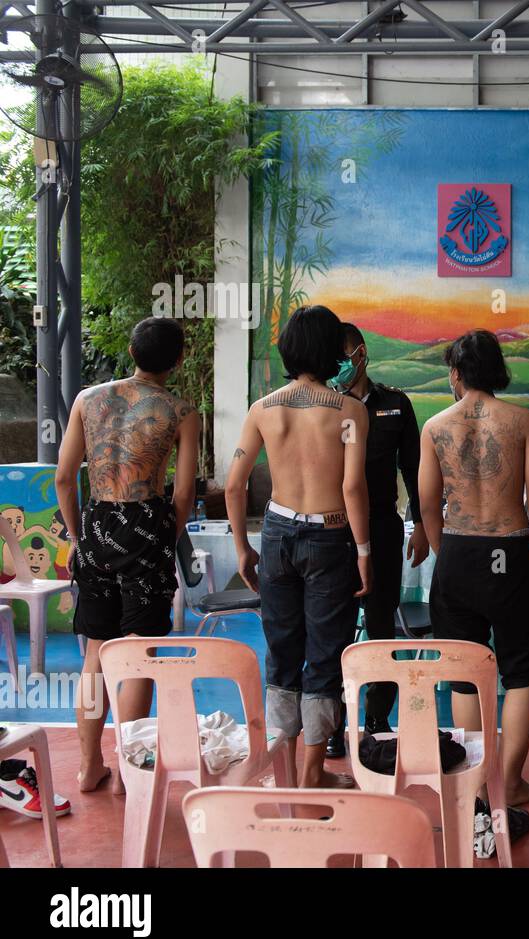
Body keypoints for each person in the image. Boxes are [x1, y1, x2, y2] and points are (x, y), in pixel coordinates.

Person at [225, 305, 371, 789]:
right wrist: (364, 553)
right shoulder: (349, 411)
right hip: (330, 538)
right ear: (332, 352)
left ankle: (283, 772)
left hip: (277, 535)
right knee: (326, 653)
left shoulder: (263, 409)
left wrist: (243, 549)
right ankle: (313, 775)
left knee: (282, 651)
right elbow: (353, 489)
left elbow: (234, 485)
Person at [54, 316, 200, 792]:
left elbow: (63, 477)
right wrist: (164, 536)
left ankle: (87, 766)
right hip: (147, 526)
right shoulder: (180, 411)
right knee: (139, 653)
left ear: (133, 354)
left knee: (96, 654)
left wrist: (79, 539)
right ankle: (129, 771)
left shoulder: (87, 400)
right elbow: (183, 495)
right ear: (178, 360)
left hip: (97, 525)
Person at [419, 330, 529, 806]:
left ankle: (474, 781)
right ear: (496, 370)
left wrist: (448, 554)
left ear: (456, 374)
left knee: (464, 669)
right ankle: (513, 783)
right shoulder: (523, 421)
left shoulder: (436, 426)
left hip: (459, 551)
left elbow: (427, 504)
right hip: (513, 552)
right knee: (522, 670)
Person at [324, 324, 429, 757]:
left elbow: (414, 468)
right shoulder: (324, 405)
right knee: (333, 626)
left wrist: (421, 523)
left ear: (361, 354)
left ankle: (376, 717)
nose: (337, 367)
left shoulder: (395, 404)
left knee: (381, 623)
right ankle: (331, 722)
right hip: (332, 528)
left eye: (342, 357)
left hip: (382, 525)